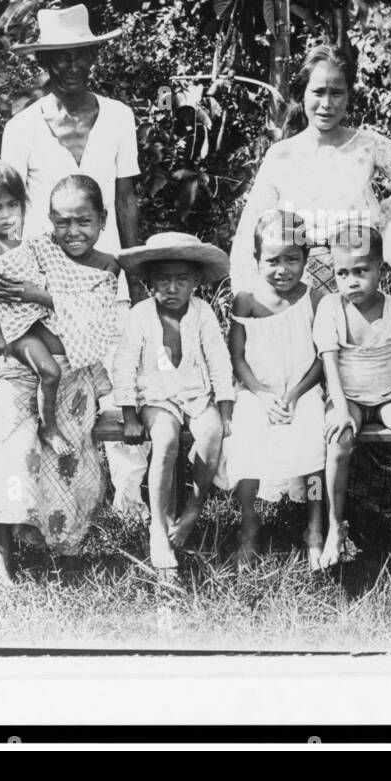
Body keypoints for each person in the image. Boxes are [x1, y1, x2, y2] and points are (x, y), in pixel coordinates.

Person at [229, 44, 391, 505]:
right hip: (298, 285)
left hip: (352, 282)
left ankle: (360, 500)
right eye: (317, 92)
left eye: (337, 93)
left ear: (350, 96)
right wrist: (257, 291)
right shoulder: (282, 155)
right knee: (306, 383)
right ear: (300, 95)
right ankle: (300, 498)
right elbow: (256, 226)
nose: (327, 104)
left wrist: (380, 231)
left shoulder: (365, 146)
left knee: (353, 381)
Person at [4, 4, 149, 517]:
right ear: (44, 59)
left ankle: (131, 503)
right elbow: (12, 217)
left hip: (108, 280)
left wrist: (136, 274)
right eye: (57, 58)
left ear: (93, 54)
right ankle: (55, 514)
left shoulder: (118, 117)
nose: (69, 67)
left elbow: (126, 199)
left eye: (78, 55)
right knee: (57, 394)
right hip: (49, 289)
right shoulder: (21, 128)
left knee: (125, 383)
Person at [0, 175, 124, 588]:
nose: (72, 232)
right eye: (61, 221)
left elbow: (99, 326)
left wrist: (41, 295)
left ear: (102, 220)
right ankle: (5, 570)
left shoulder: (108, 267)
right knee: (11, 461)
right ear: (48, 220)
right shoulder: (36, 251)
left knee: (73, 474)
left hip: (73, 382)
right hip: (23, 375)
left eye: (83, 221)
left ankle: (68, 559)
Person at [314, 225, 391, 568]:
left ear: (381, 270)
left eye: (361, 271)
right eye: (342, 273)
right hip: (348, 400)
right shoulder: (330, 307)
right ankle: (335, 527)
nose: (351, 281)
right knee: (338, 439)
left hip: (387, 399)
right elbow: (330, 363)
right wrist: (340, 409)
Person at [113, 233, 235, 574]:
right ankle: (158, 527)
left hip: (195, 393)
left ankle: (193, 511)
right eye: (163, 280)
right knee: (165, 439)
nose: (172, 288)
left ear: (196, 281)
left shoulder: (202, 312)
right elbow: (124, 365)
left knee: (212, 432)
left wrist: (224, 406)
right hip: (155, 395)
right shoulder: (140, 315)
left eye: (181, 279)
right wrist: (129, 416)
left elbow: (219, 360)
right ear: (149, 282)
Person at [226, 210, 327, 569]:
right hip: (258, 392)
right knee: (245, 437)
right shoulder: (246, 300)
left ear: (306, 259)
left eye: (292, 259)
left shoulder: (314, 300)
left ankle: (315, 524)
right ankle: (250, 522)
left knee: (316, 443)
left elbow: (321, 359)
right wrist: (263, 395)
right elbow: (237, 358)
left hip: (302, 392)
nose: (283, 269)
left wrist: (296, 393)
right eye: (272, 260)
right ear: (256, 260)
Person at [0, 159, 71, 454]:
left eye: (13, 205)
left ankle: (75, 410)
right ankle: (49, 428)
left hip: (31, 317)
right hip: (12, 329)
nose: (8, 215)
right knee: (50, 371)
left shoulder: (16, 236)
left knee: (72, 349)